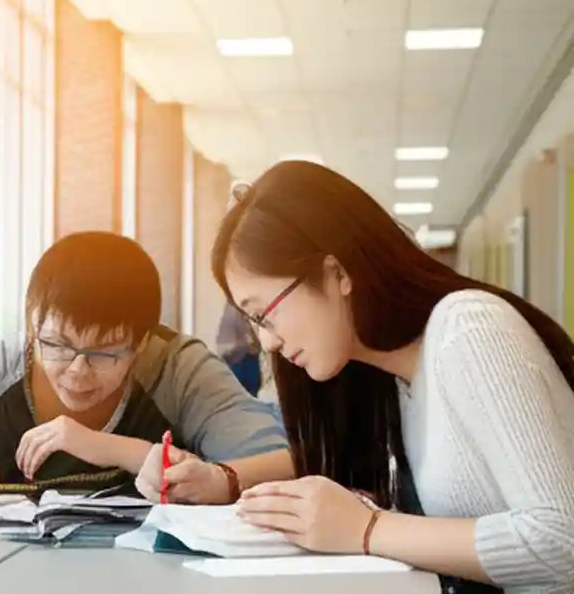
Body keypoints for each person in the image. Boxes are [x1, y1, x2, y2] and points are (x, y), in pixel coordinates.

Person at [218, 161, 574, 592]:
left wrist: (368, 528)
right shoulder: (392, 381)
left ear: (338, 273)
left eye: (262, 315)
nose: (268, 343)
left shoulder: (469, 328)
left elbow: (563, 541)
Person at [0, 231, 292, 503]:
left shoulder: (179, 370)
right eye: (57, 345)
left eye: (107, 352)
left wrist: (114, 449)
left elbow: (288, 465)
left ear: (143, 341)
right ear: (32, 326)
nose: (77, 372)